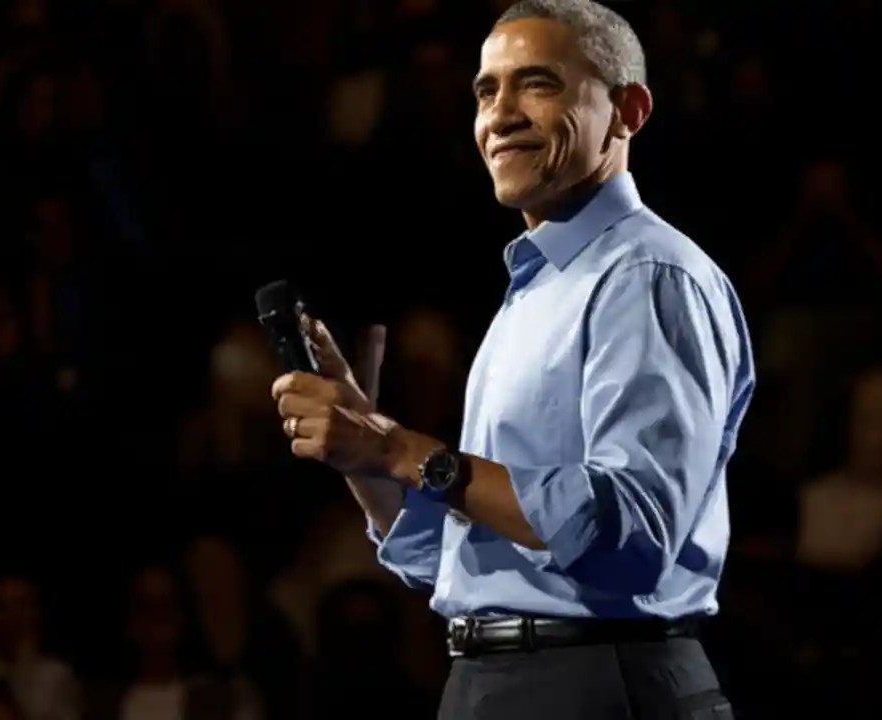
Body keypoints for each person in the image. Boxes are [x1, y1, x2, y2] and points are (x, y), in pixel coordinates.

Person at [269, 1, 755, 718]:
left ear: (629, 110)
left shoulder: (645, 276)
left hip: (595, 682)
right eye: (485, 91)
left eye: (537, 84)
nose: (500, 114)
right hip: (499, 682)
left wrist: (403, 449)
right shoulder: (538, 288)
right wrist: (366, 455)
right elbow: (461, 560)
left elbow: (634, 533)